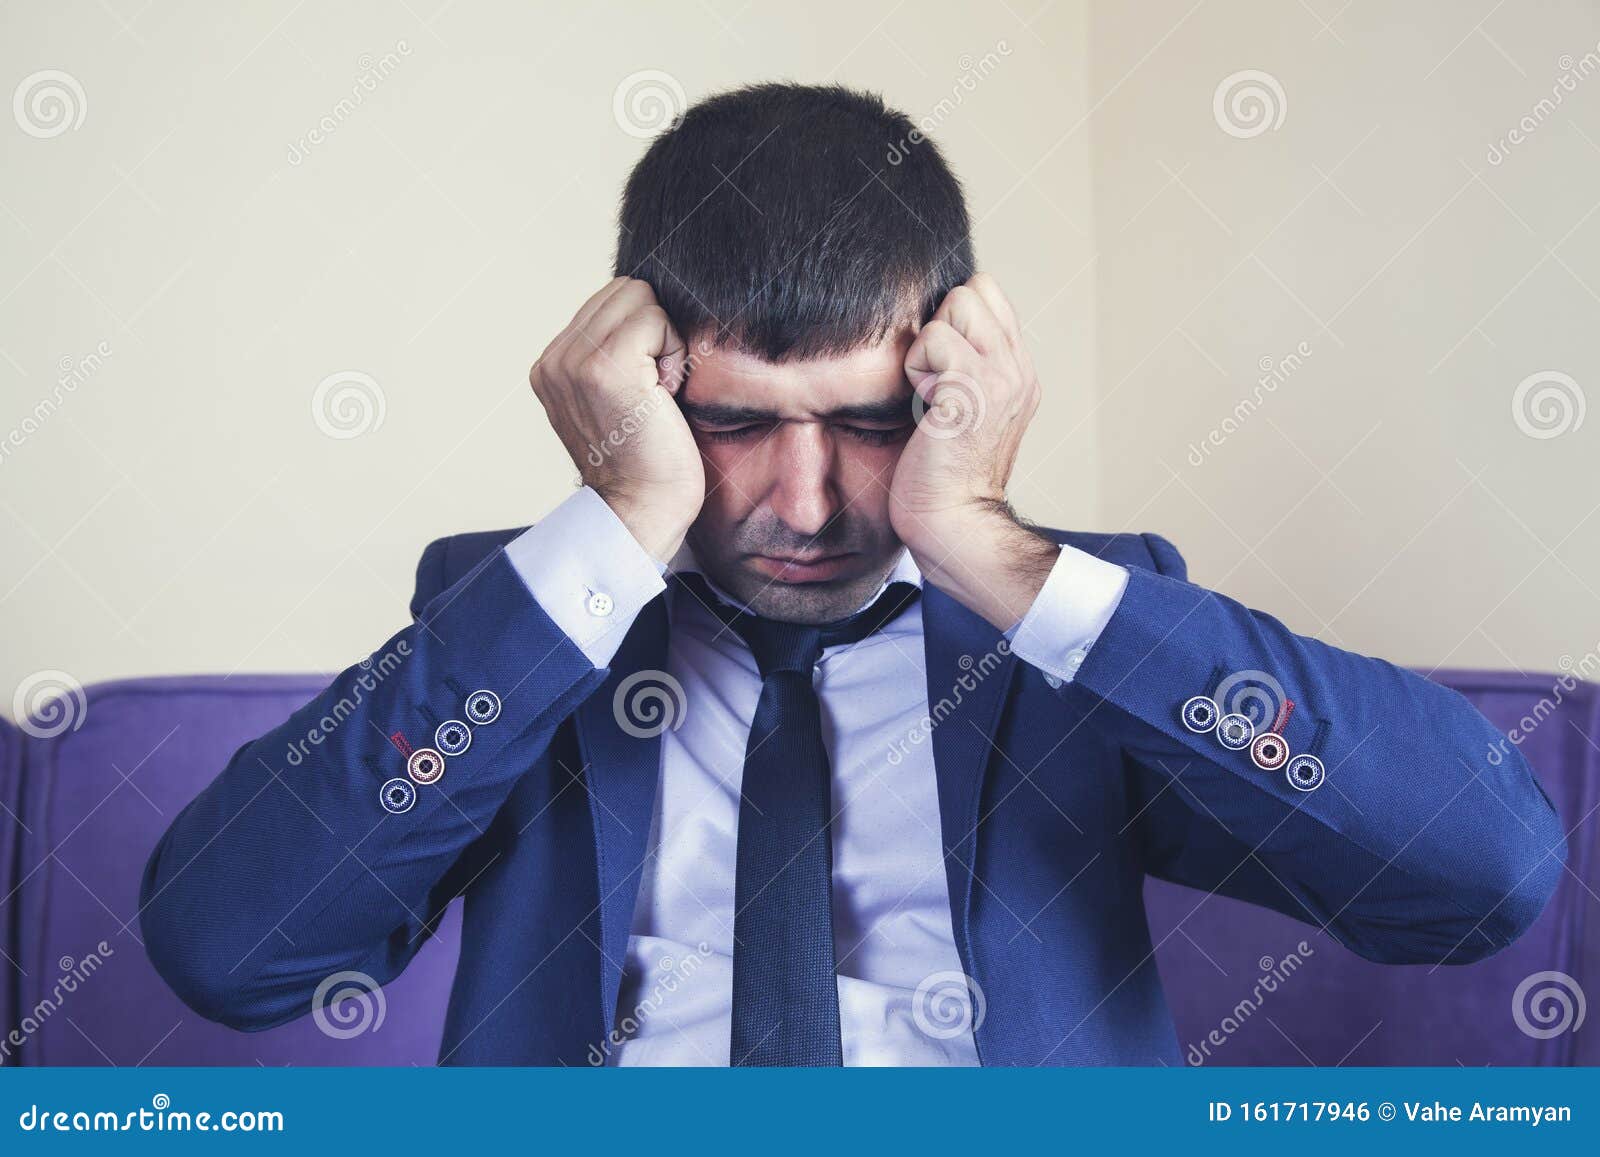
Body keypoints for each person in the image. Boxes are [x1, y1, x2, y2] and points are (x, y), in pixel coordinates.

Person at [139, 82, 1565, 1066]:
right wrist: (615, 520)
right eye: (736, 421)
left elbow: (1480, 871)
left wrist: (1001, 556)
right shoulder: (526, 634)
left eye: (870, 424)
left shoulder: (1075, 633)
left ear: (955, 386)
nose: (805, 503)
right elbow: (231, 944)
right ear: (636, 387)